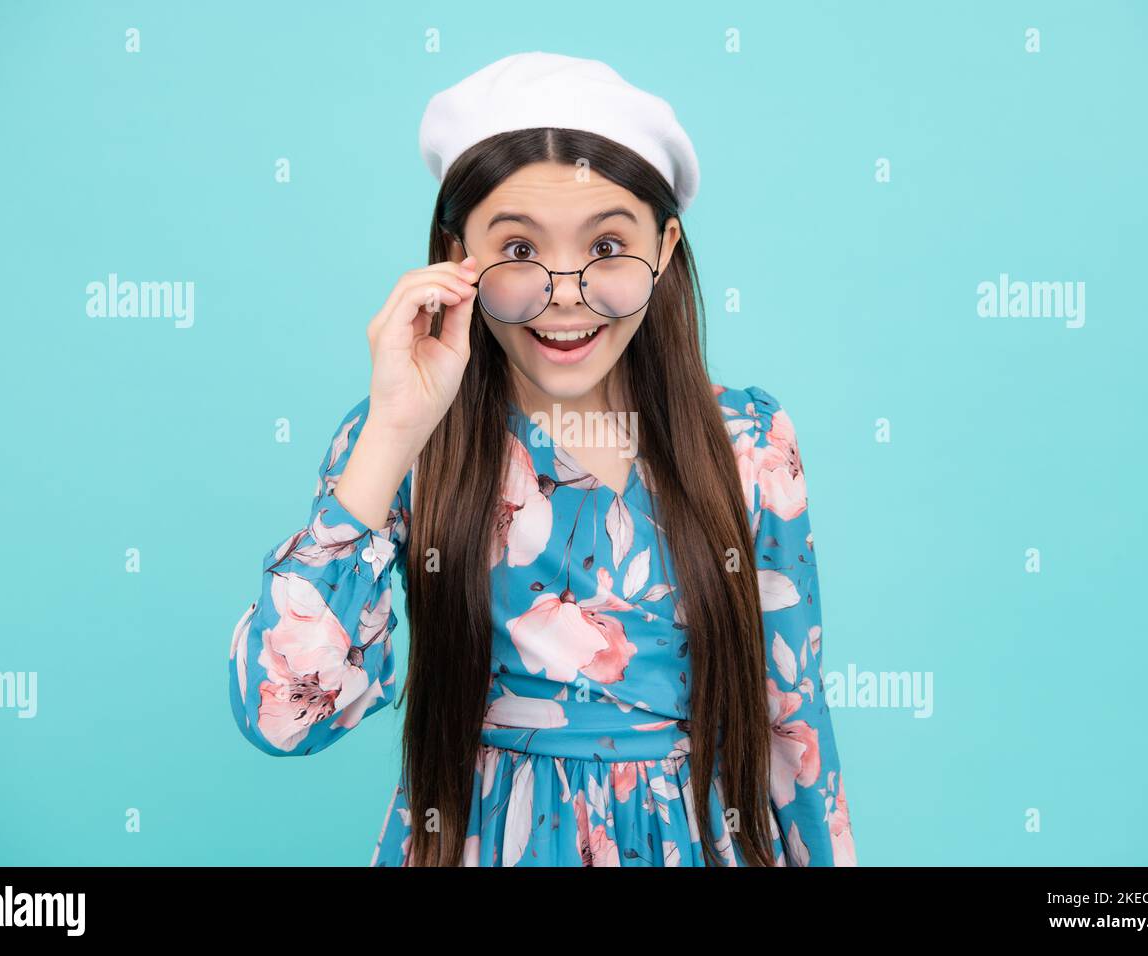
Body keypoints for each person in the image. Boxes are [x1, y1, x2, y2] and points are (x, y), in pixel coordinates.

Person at [227, 51, 857, 867]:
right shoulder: (405, 439)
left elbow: (793, 719)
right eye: (519, 250)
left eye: (607, 245)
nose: (565, 293)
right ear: (458, 255)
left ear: (664, 249)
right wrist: (391, 433)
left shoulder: (748, 442)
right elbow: (284, 717)